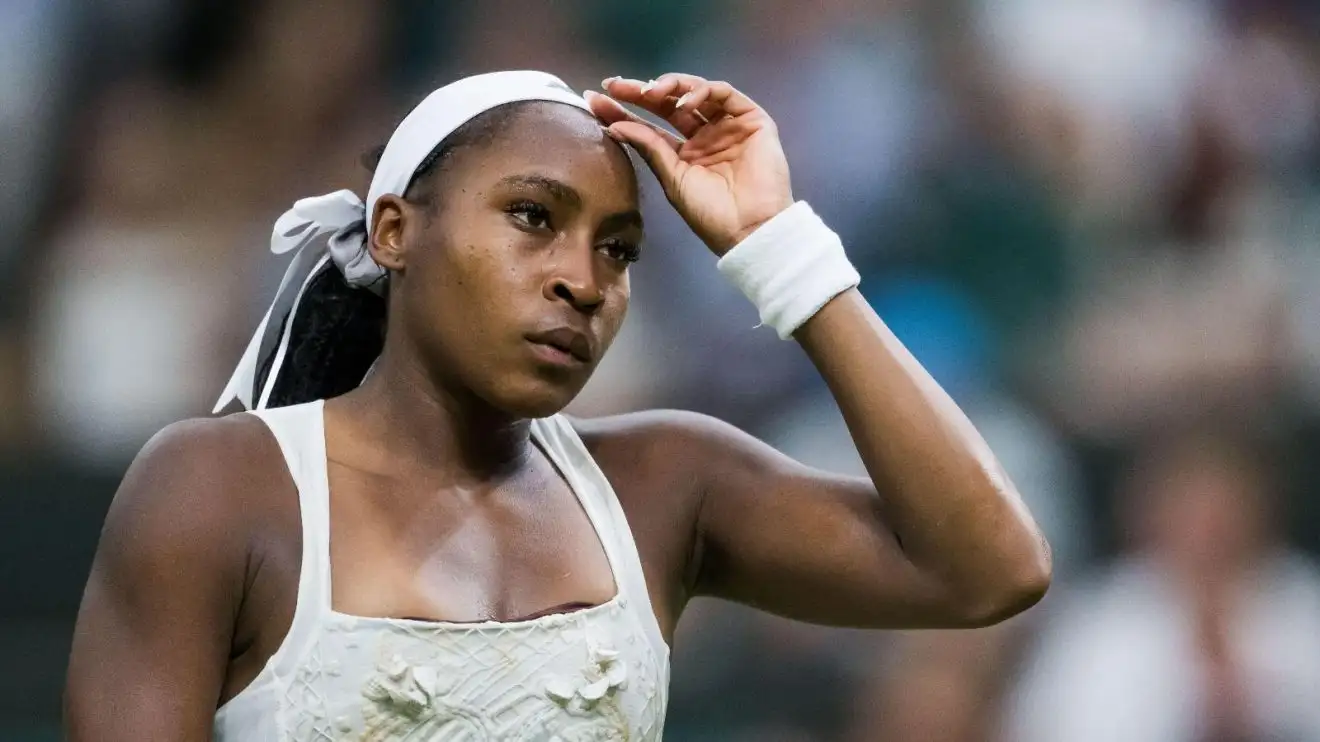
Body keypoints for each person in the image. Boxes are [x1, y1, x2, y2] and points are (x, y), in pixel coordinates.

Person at [64, 70, 1051, 740]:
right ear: (395, 231)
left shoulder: (667, 484)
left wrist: (777, 243)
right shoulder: (216, 491)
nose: (584, 280)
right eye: (533, 217)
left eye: (619, 250)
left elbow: (989, 570)